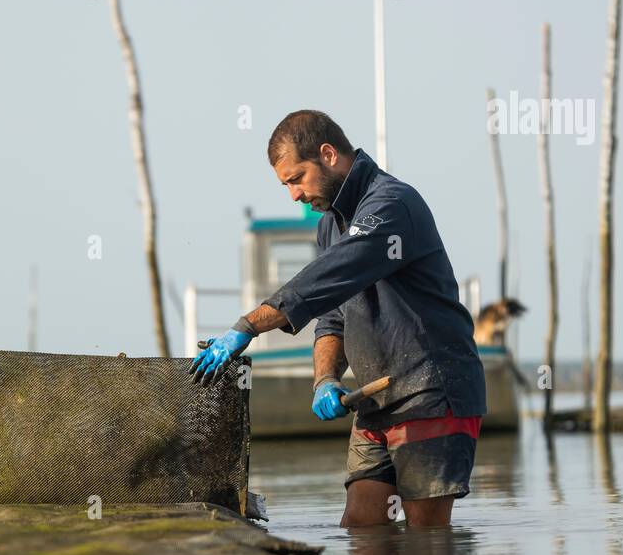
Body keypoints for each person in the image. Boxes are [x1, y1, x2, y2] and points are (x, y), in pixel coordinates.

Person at [190, 109, 486, 529]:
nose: (293, 194)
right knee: (361, 528)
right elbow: (331, 314)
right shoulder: (330, 224)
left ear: (328, 154)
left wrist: (248, 325)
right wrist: (324, 379)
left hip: (431, 392)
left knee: (428, 539)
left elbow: (329, 274)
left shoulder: (391, 205)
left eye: (296, 178)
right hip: (375, 401)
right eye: (286, 184)